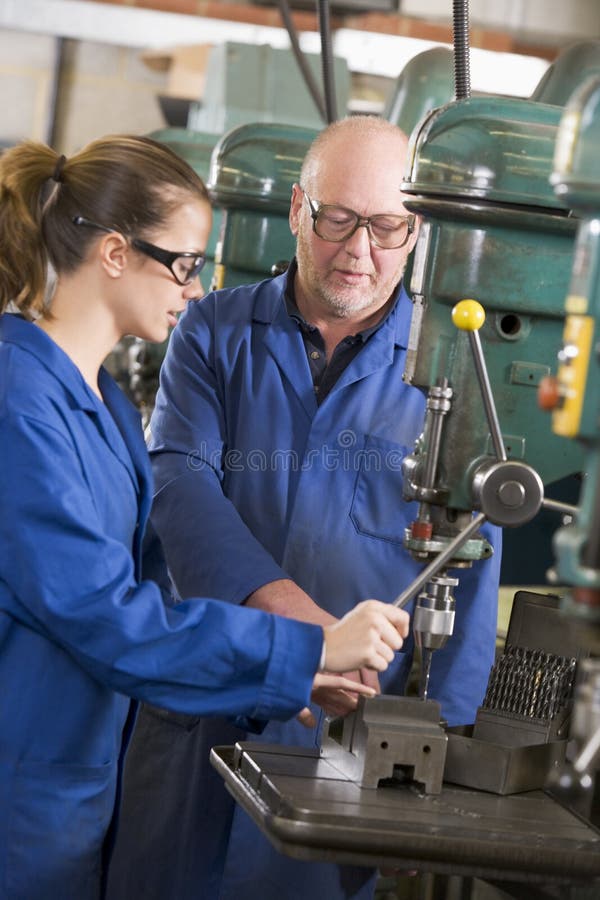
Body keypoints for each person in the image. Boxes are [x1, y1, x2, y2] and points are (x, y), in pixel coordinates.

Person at [0, 133, 413, 900]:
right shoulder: (17, 400)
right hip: (21, 790)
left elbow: (160, 591)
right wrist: (306, 648)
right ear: (117, 253)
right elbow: (107, 617)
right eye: (185, 263)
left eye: (388, 225)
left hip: (77, 785)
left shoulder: (107, 409)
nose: (194, 289)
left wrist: (292, 680)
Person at [107, 116, 502, 900]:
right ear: (297, 210)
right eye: (338, 220)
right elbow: (179, 484)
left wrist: (443, 766)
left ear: (416, 228)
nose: (360, 250)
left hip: (348, 749)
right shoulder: (213, 330)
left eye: (387, 226)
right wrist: (308, 635)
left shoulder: (457, 373)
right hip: (202, 715)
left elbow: (470, 570)